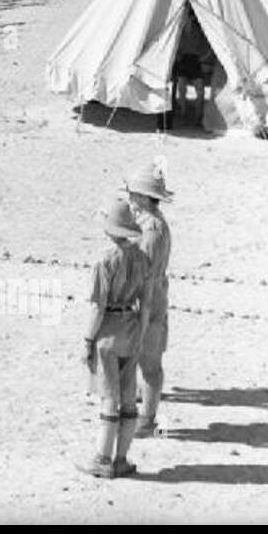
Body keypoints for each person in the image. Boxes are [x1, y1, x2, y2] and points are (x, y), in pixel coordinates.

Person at [80, 199, 151, 479]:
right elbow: (145, 305)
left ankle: (102, 460)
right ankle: (122, 459)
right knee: (129, 399)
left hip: (109, 329)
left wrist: (87, 340)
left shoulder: (105, 261)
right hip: (132, 327)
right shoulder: (142, 259)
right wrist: (141, 335)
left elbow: (97, 308)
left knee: (109, 398)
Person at [126, 165, 173, 438]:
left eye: (134, 194)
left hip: (148, 299)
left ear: (144, 197)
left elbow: (146, 271)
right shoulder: (154, 222)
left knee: (150, 363)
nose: (130, 198)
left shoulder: (152, 229)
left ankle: (148, 419)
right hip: (153, 295)